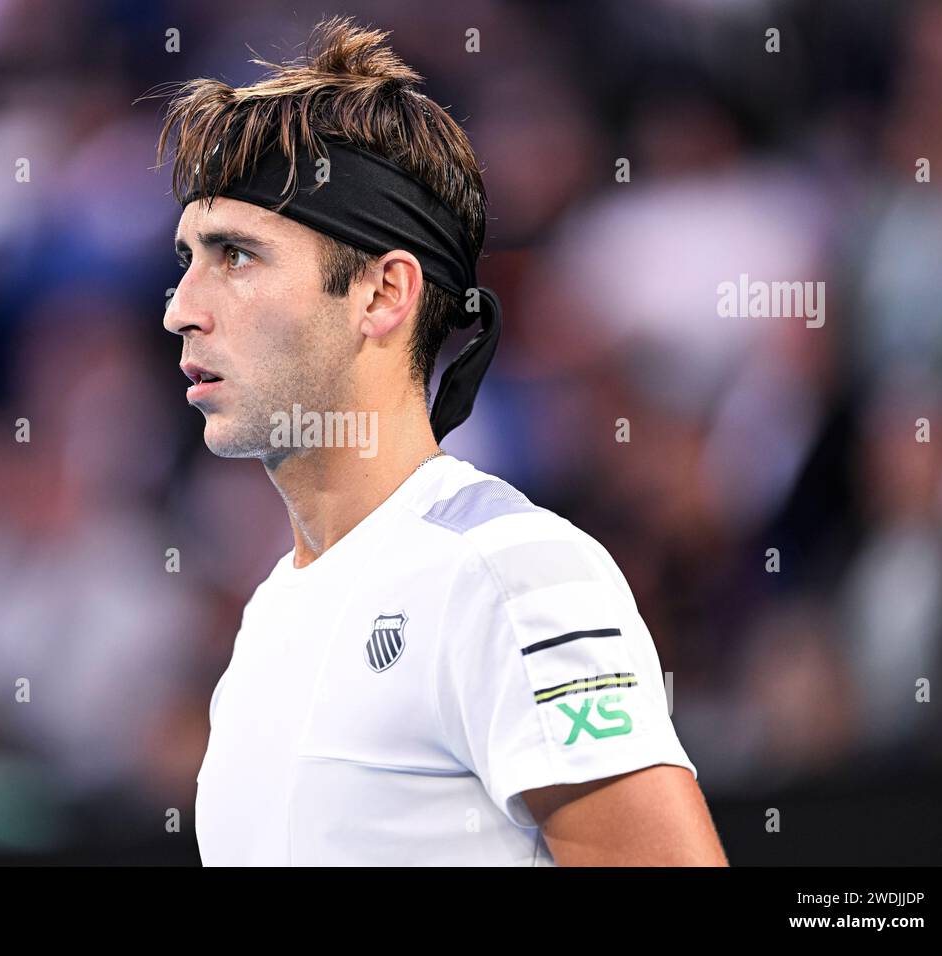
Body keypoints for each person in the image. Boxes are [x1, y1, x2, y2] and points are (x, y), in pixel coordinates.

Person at [152, 16, 728, 865]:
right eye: (187, 257)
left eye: (237, 255)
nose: (180, 308)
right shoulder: (268, 615)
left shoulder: (509, 572)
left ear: (385, 295)